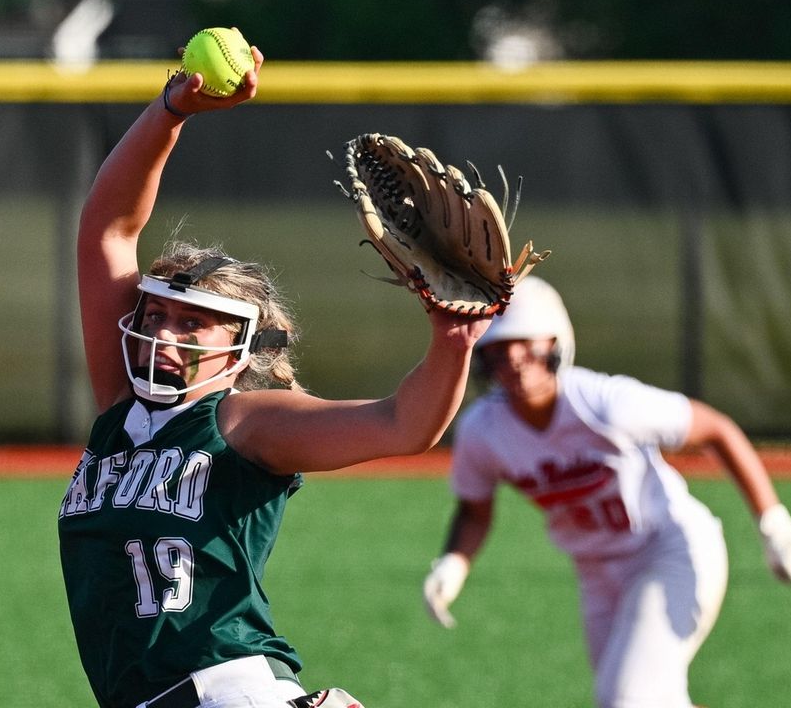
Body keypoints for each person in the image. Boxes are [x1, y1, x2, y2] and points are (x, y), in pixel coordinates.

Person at [56, 44, 491, 708]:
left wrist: (452, 339)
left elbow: (403, 425)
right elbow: (106, 232)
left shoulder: (242, 420)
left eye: (191, 323)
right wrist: (169, 111)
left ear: (240, 344)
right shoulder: (120, 406)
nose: (163, 334)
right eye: (157, 314)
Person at [421, 276, 791, 708]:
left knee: (628, 700)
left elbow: (716, 430)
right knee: (651, 700)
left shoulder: (602, 402)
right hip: (596, 572)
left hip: (667, 549)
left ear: (556, 340)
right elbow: (474, 511)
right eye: (499, 348)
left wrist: (775, 524)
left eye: (525, 342)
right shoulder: (483, 430)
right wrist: (454, 563)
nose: (515, 358)